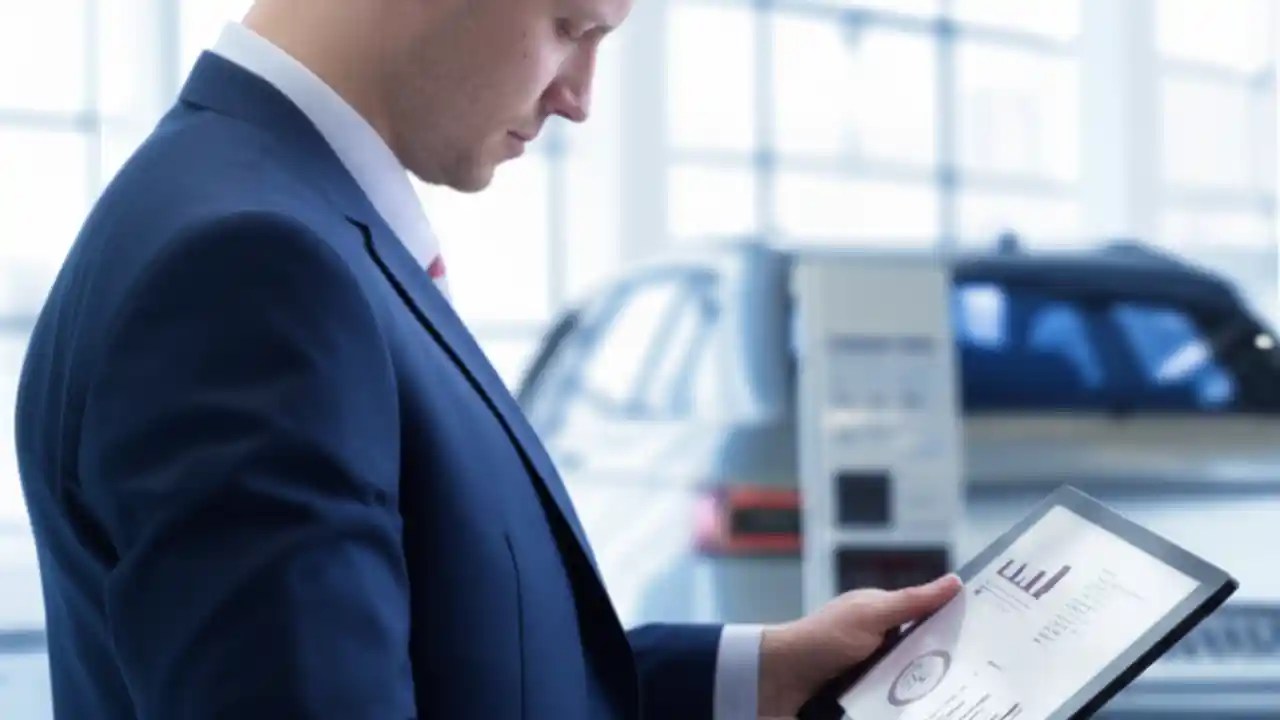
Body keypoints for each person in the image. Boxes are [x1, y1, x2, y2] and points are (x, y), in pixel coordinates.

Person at [13, 0, 962, 717]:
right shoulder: (250, 270)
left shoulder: (276, 223)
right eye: (568, 25)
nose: (579, 97)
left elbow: (454, 665)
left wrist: (750, 679)